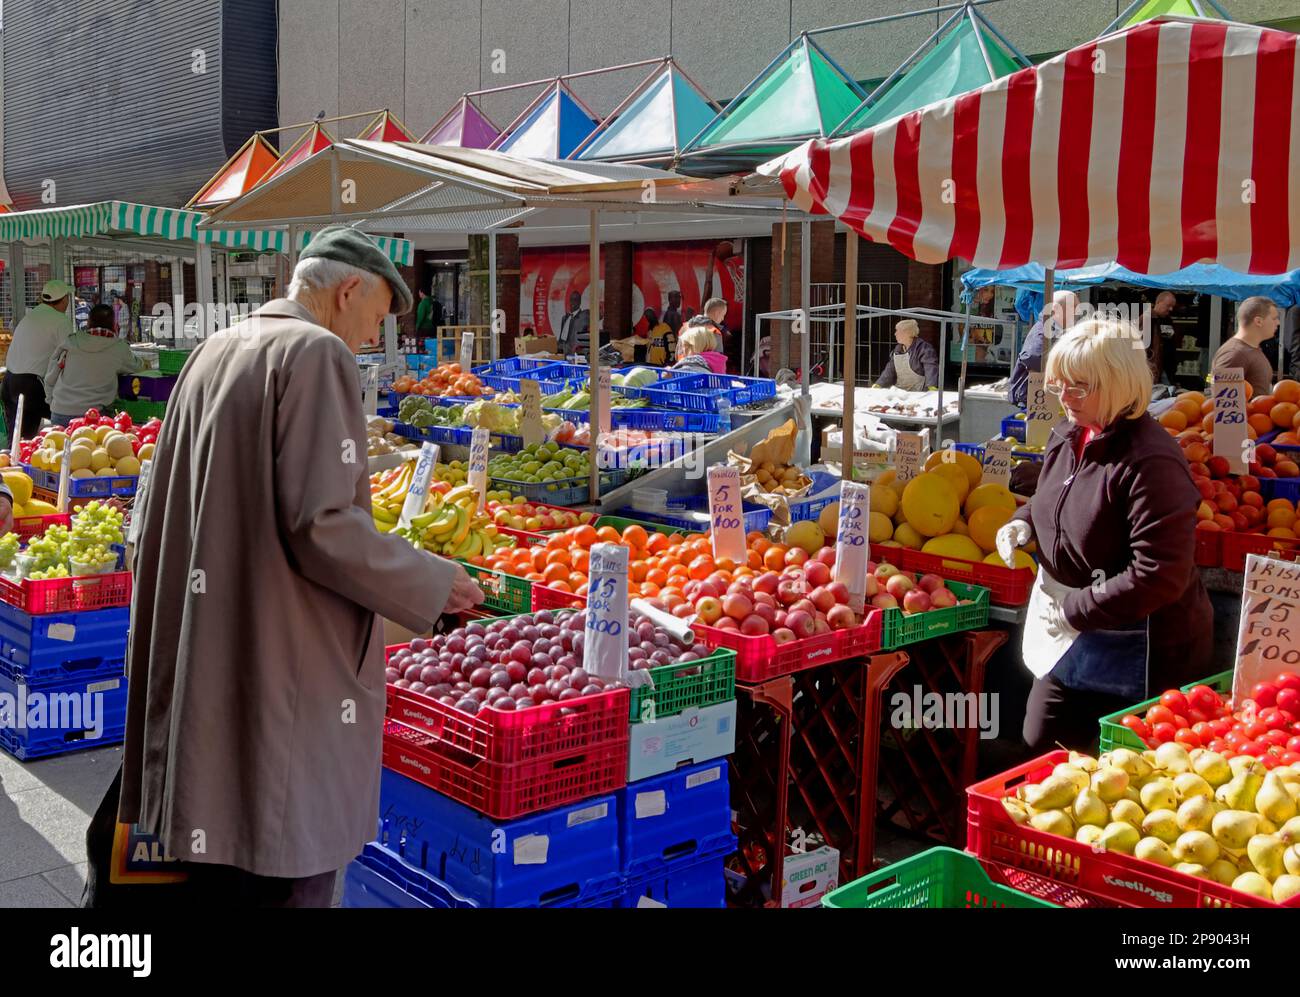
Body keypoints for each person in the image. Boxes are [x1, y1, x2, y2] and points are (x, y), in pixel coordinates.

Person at [113, 226, 485, 908]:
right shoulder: (316, 353)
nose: (370, 341)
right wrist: (434, 580)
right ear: (347, 291)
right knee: (290, 855)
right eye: (374, 321)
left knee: (224, 857)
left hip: (215, 653)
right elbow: (322, 524)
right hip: (283, 668)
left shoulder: (214, 349)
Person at [996, 318, 1212, 752]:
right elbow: (1053, 498)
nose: (1064, 397)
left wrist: (1077, 608)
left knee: (1109, 769)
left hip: (1137, 643)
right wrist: (1024, 521)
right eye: (1060, 385)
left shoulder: (1152, 461)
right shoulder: (1068, 434)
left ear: (1117, 384)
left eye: (1079, 387)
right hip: (1068, 627)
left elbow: (1159, 573)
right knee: (1041, 742)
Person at [45, 304, 142, 425]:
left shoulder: (70, 342)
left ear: (89, 322)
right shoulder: (119, 348)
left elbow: (51, 375)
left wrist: (51, 400)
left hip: (61, 412)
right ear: (114, 325)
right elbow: (138, 367)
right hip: (95, 416)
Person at [3, 279, 72, 442]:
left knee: (16, 439)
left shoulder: (31, 315)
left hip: (9, 381)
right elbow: (70, 353)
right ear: (63, 300)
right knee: (63, 419)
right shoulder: (61, 321)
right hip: (29, 384)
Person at [1007, 290, 1079, 407]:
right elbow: (1033, 358)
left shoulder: (1054, 330)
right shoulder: (1044, 330)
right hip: (1031, 401)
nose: (1077, 312)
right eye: (1073, 307)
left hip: (1041, 400)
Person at [1211, 295, 1280, 397]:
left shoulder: (1250, 349)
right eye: (1274, 318)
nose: (1278, 323)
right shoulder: (1235, 353)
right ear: (1258, 321)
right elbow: (1224, 403)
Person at [873, 319, 939, 391]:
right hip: (901, 391)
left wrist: (931, 386)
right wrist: (879, 384)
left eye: (897, 331)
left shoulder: (924, 348)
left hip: (919, 392)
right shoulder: (897, 349)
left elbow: (930, 367)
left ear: (907, 333)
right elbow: (889, 370)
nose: (895, 334)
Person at [1147, 291, 1179, 385]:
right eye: (1168, 305)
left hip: (1167, 368)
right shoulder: (1147, 319)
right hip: (1154, 370)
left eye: (1172, 306)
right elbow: (1140, 347)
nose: (1171, 309)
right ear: (1158, 303)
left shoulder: (1168, 320)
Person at [556, 290, 589, 357]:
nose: (572, 302)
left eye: (575, 300)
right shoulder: (565, 318)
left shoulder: (584, 317)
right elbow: (561, 337)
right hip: (564, 353)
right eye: (571, 300)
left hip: (576, 354)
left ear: (579, 302)